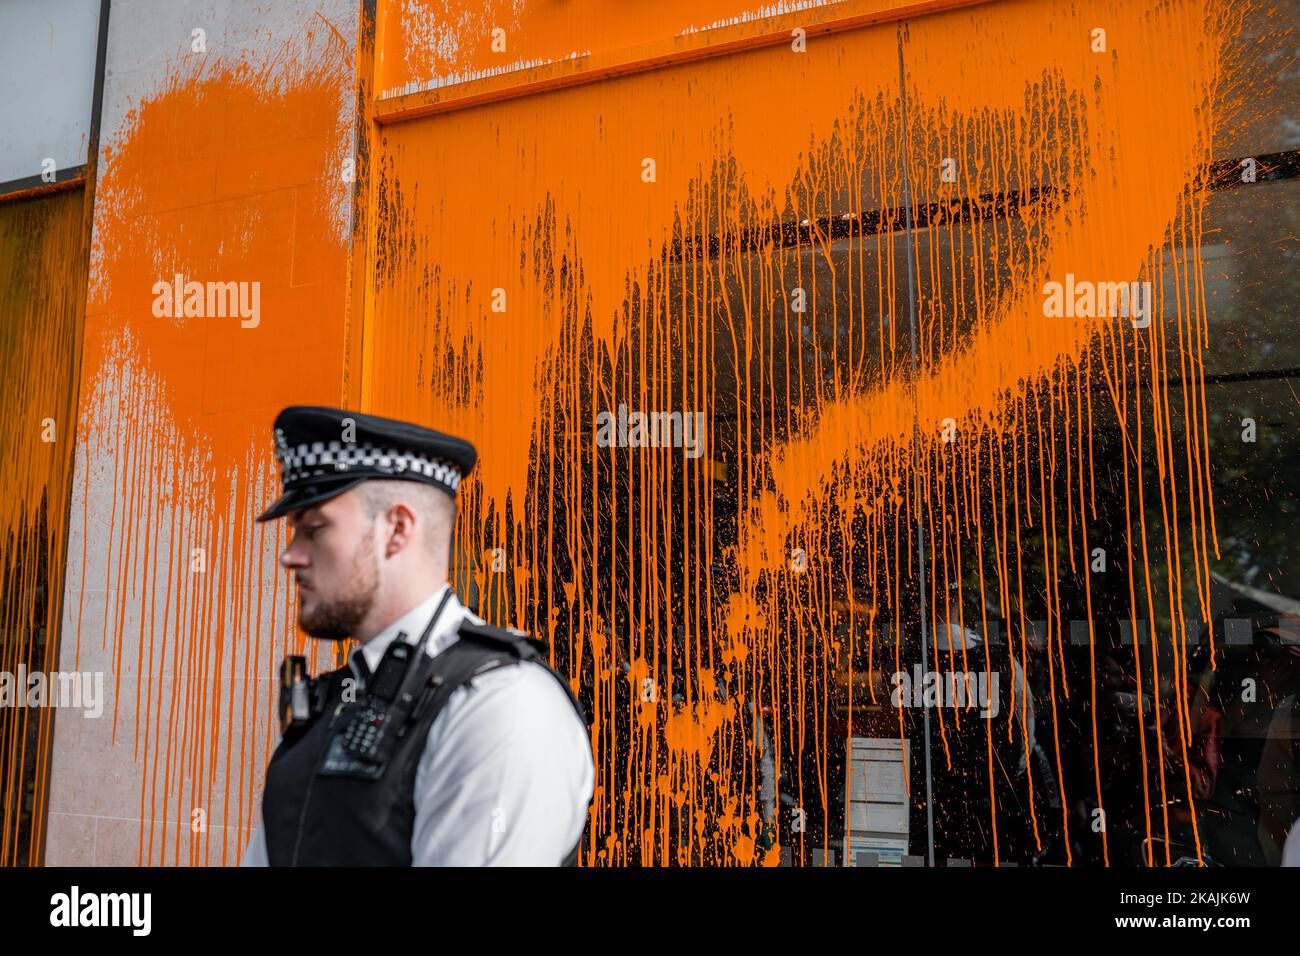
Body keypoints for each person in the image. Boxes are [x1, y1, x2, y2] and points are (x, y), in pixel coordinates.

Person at [239, 405, 594, 866]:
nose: (291, 556)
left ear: (397, 529)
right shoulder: (338, 704)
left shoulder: (501, 705)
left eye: (314, 530)